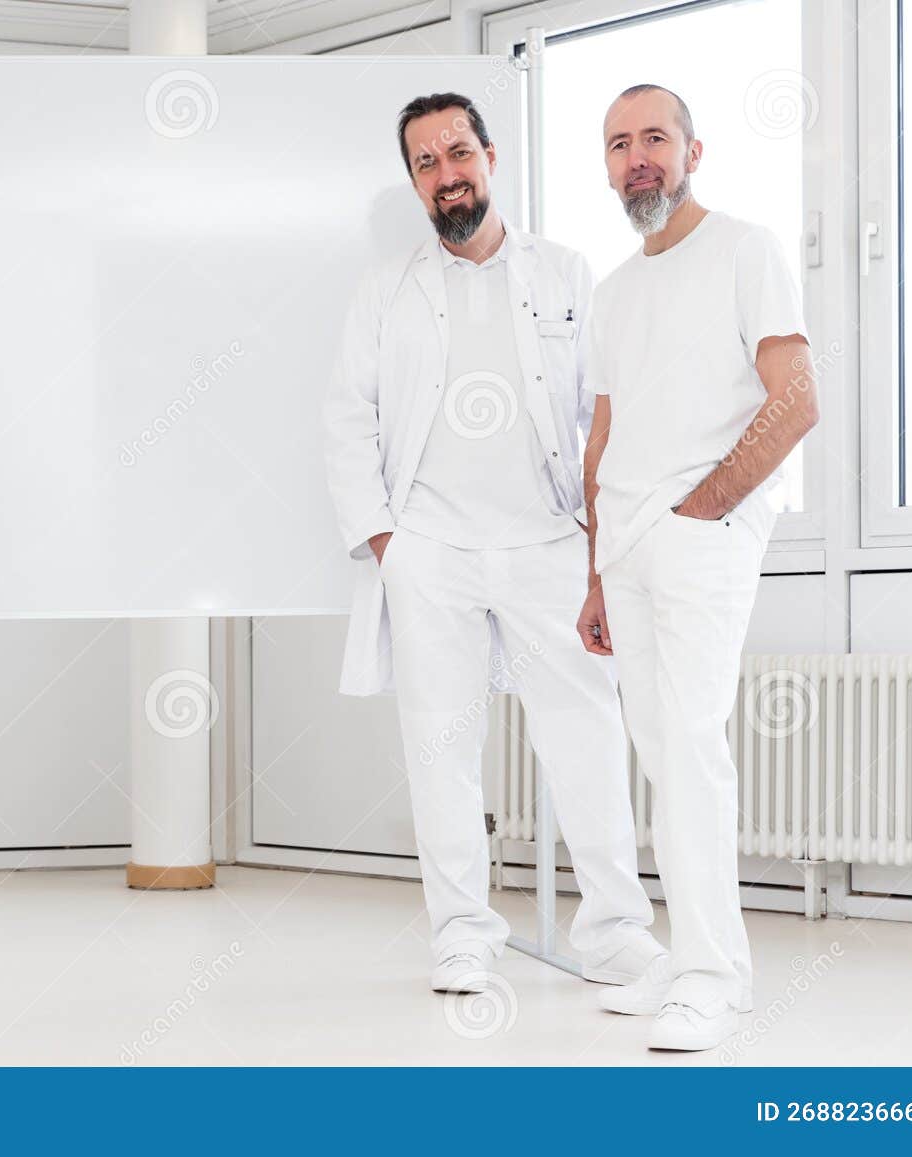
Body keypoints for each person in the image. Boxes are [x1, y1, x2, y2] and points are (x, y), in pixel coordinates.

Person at [324, 93, 661, 995]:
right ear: (413, 183)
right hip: (429, 548)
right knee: (441, 745)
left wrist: (600, 546)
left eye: (458, 153)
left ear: (491, 156)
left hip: (548, 539)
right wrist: (391, 544)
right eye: (426, 164)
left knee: (586, 733)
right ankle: (464, 934)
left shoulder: (565, 273)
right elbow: (348, 421)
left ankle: (618, 931)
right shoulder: (384, 292)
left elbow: (605, 409)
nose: (446, 174)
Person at [577, 84, 819, 1051]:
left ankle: (711, 977)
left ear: (693, 151)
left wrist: (707, 505)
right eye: (618, 143)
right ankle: (697, 959)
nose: (637, 157)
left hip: (698, 536)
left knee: (689, 747)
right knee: (663, 756)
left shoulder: (745, 249)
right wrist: (597, 571)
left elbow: (796, 399)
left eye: (655, 139)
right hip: (627, 547)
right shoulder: (612, 292)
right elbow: (603, 440)